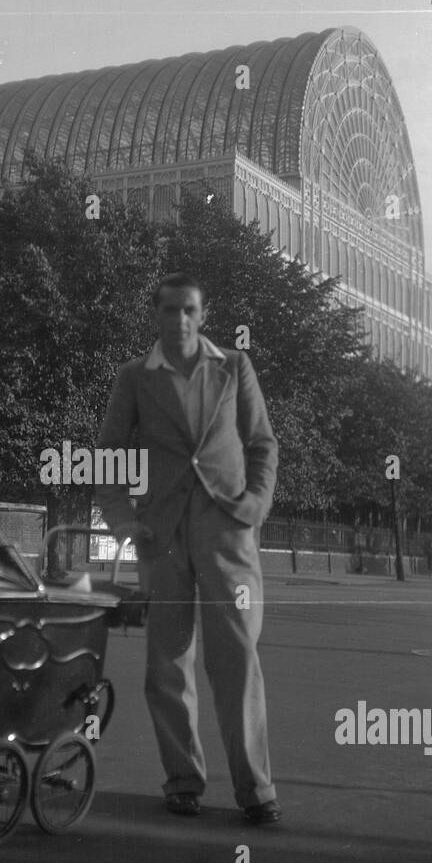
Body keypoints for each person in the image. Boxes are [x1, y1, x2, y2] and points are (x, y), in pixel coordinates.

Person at [96, 271, 281, 823]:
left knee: (238, 660)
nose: (179, 319)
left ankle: (256, 790)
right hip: (164, 536)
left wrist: (254, 504)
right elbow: (108, 458)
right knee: (168, 662)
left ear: (203, 317)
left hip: (228, 533)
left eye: (189, 311)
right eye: (170, 309)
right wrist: (125, 523)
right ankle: (182, 781)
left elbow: (262, 442)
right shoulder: (135, 376)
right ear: (155, 313)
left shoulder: (234, 366)